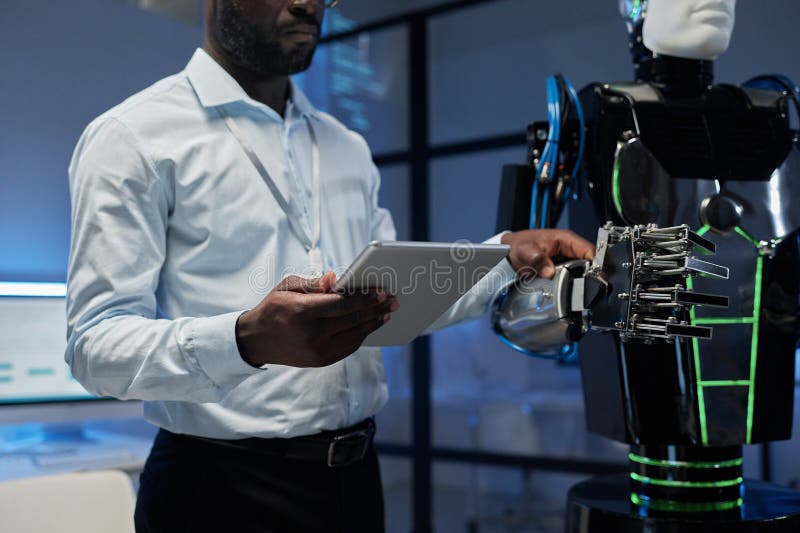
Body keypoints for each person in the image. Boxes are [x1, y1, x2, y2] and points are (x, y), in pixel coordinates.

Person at [65, 0, 595, 531]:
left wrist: (505, 255)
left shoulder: (346, 146)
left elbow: (393, 303)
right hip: (216, 492)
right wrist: (246, 339)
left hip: (356, 483)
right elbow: (95, 347)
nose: (307, 3)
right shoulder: (133, 137)